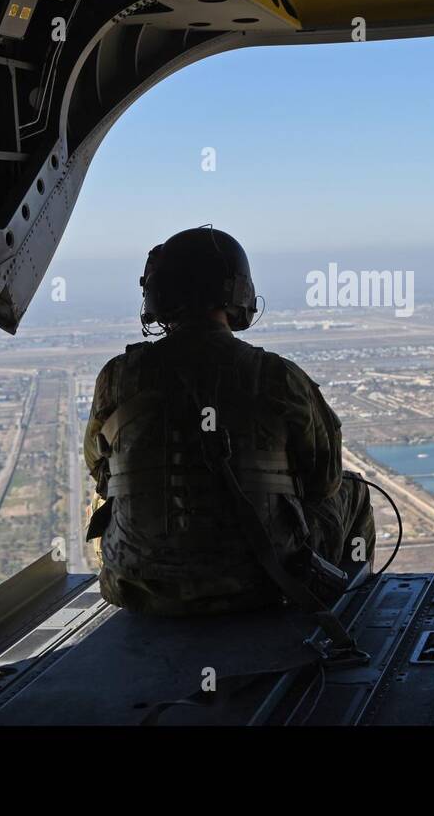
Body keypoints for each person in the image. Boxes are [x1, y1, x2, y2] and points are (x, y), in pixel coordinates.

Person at [83, 226, 375, 617]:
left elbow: (100, 471)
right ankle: (350, 614)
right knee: (354, 489)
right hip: (264, 585)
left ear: (158, 295)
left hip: (139, 589)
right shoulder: (278, 376)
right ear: (240, 293)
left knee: (106, 496)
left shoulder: (117, 377)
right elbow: (324, 481)